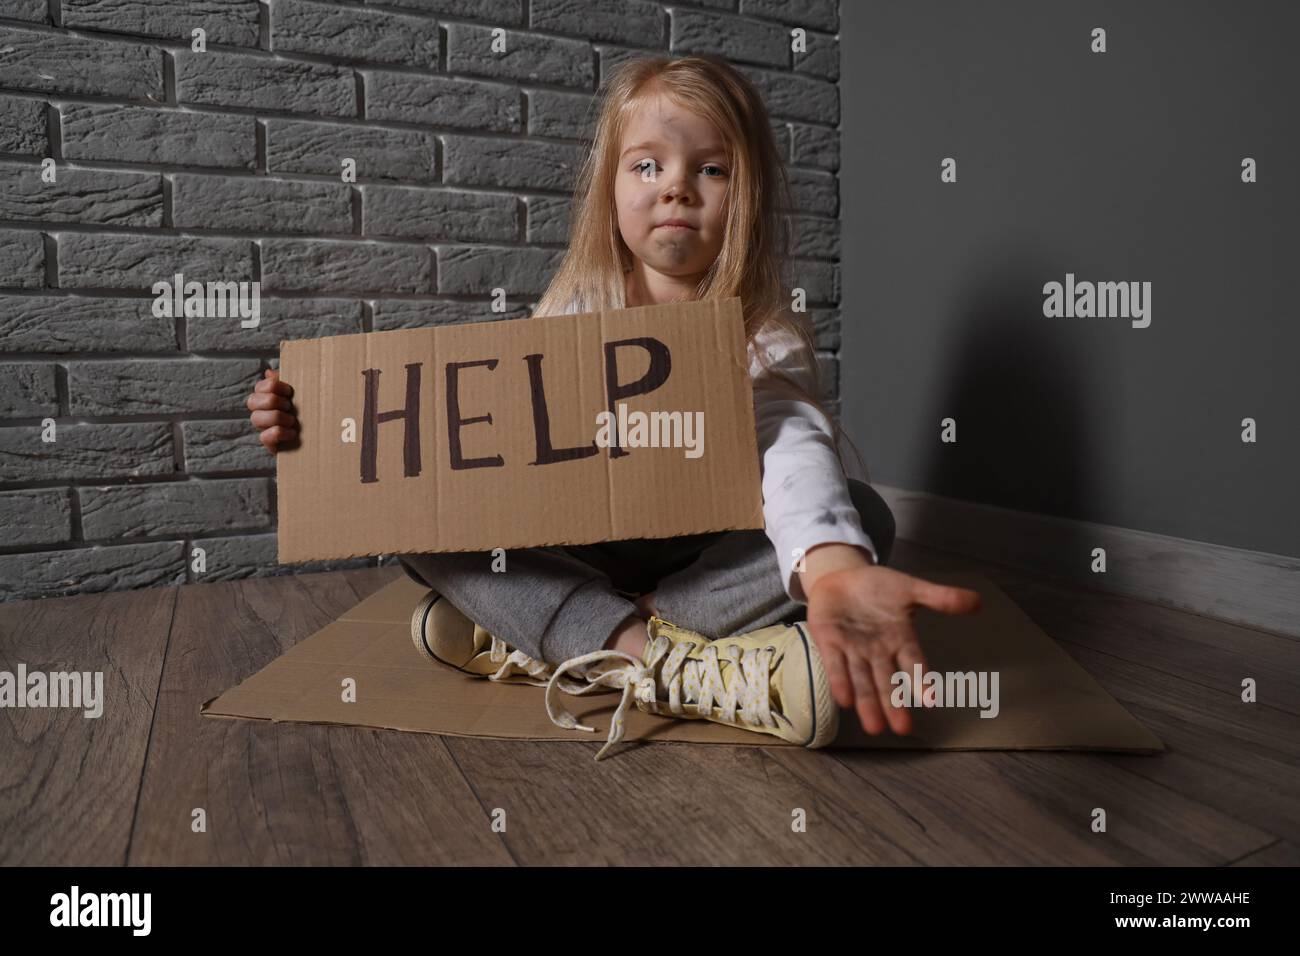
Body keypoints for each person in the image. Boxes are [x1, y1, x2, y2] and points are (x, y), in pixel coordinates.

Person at [248, 54, 981, 761]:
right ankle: (664, 664)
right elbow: (491, 458)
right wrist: (322, 434)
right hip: (586, 545)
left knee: (864, 514)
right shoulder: (574, 314)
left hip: (701, 567)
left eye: (712, 168)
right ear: (611, 187)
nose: (677, 188)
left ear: (747, 194)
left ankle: (571, 640)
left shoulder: (764, 334)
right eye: (647, 165)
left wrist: (833, 569)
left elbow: (792, 450)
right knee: (416, 513)